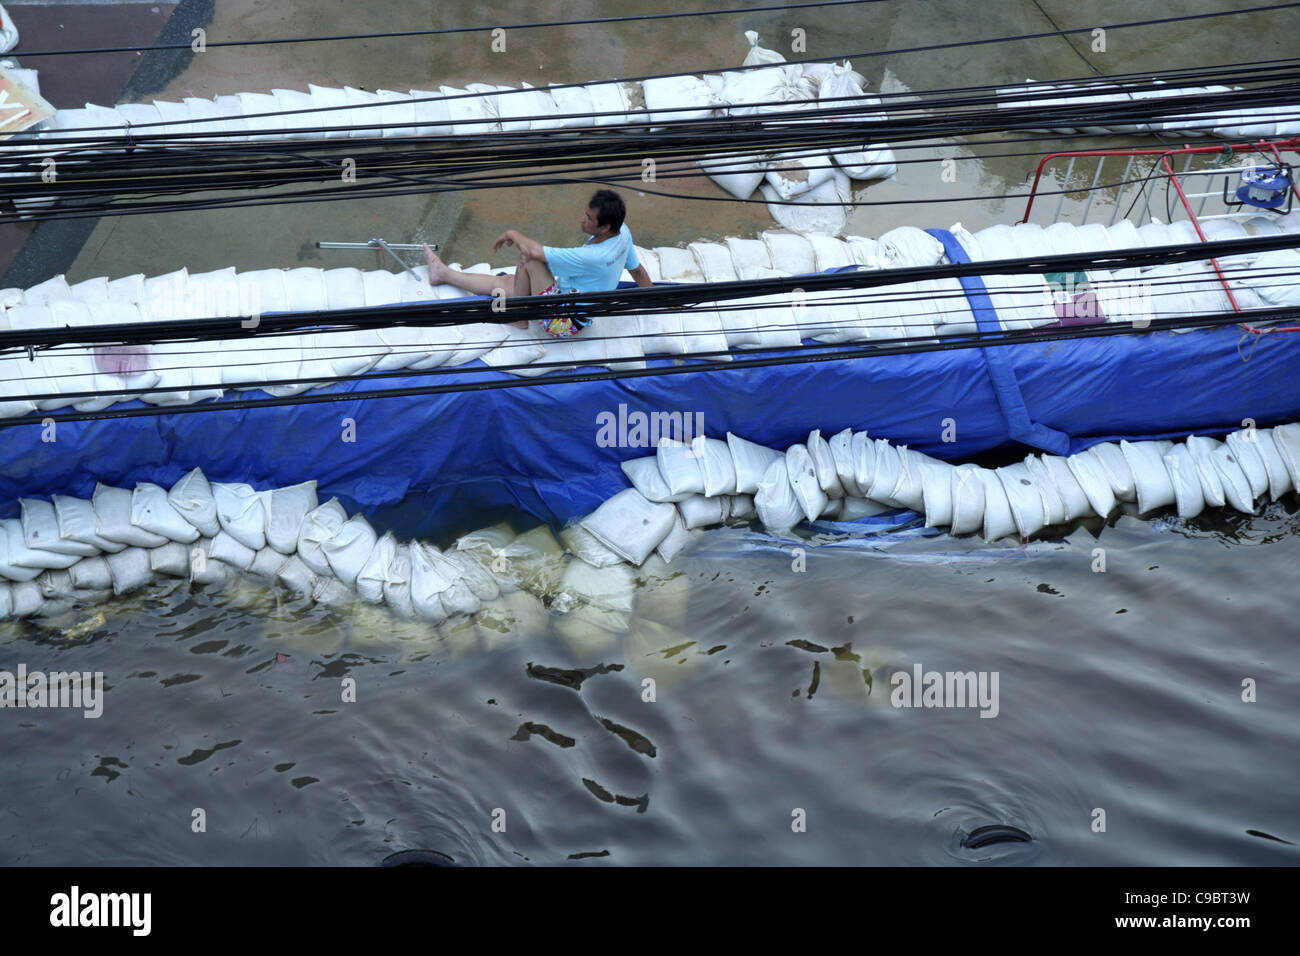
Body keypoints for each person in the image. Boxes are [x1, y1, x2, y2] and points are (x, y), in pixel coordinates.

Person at [423, 189, 653, 337]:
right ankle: (442, 274)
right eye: (585, 213)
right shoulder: (622, 232)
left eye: (589, 218)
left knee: (529, 259)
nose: (583, 219)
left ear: (604, 227)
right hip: (571, 296)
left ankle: (521, 316)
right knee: (507, 282)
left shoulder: (592, 257)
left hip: (565, 322)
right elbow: (638, 271)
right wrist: (657, 301)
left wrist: (512, 232)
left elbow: (534, 251)